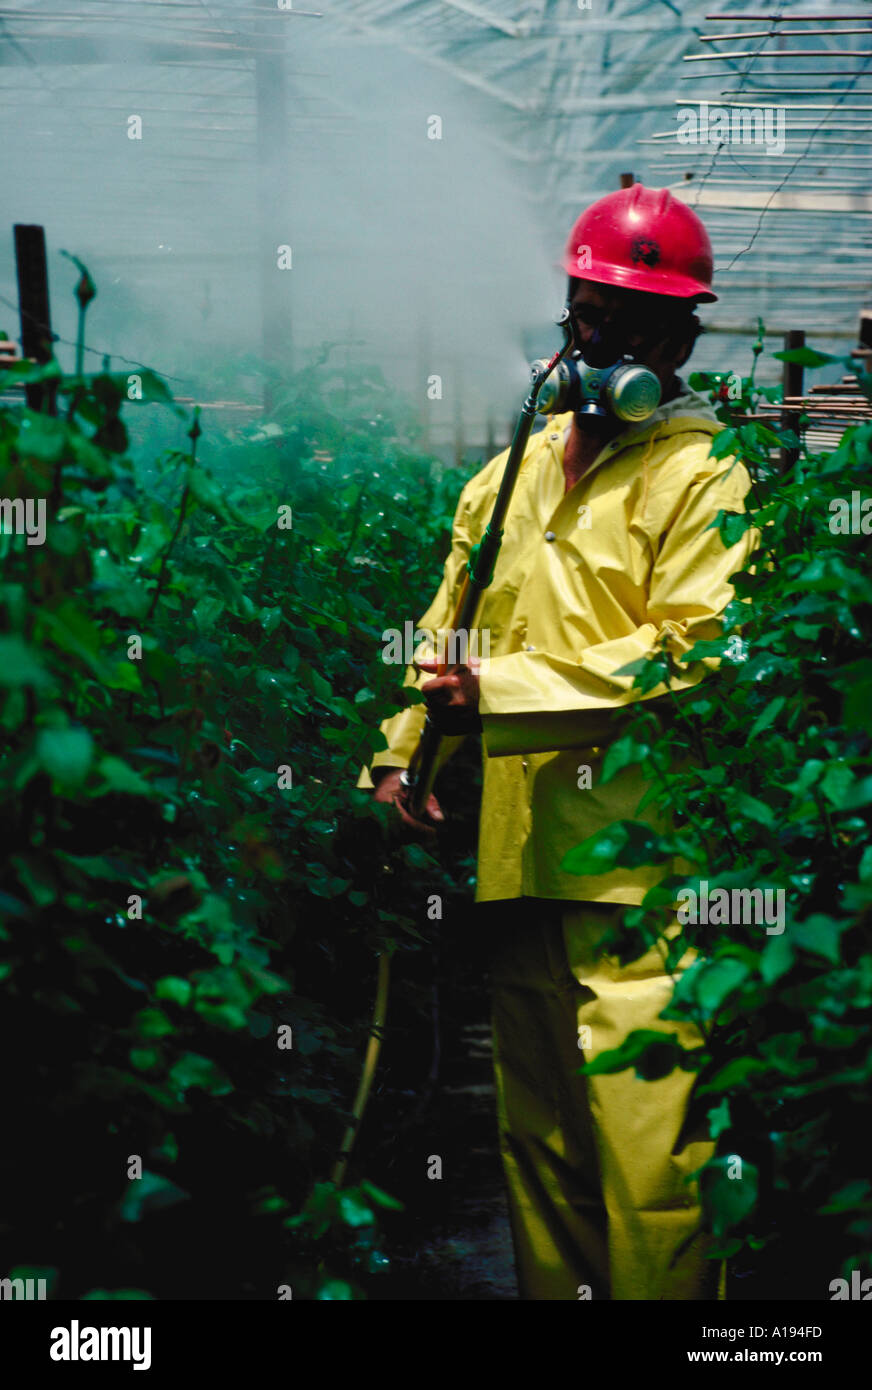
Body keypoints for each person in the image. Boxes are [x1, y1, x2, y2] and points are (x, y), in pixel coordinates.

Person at [356, 184, 757, 1300]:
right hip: (518, 854)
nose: (613, 342)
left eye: (644, 326)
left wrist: (496, 689)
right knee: (539, 1148)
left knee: (649, 1160)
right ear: (568, 318)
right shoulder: (513, 473)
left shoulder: (703, 474)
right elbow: (447, 626)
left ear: (679, 343)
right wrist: (400, 746)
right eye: (596, 316)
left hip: (639, 872)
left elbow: (691, 653)